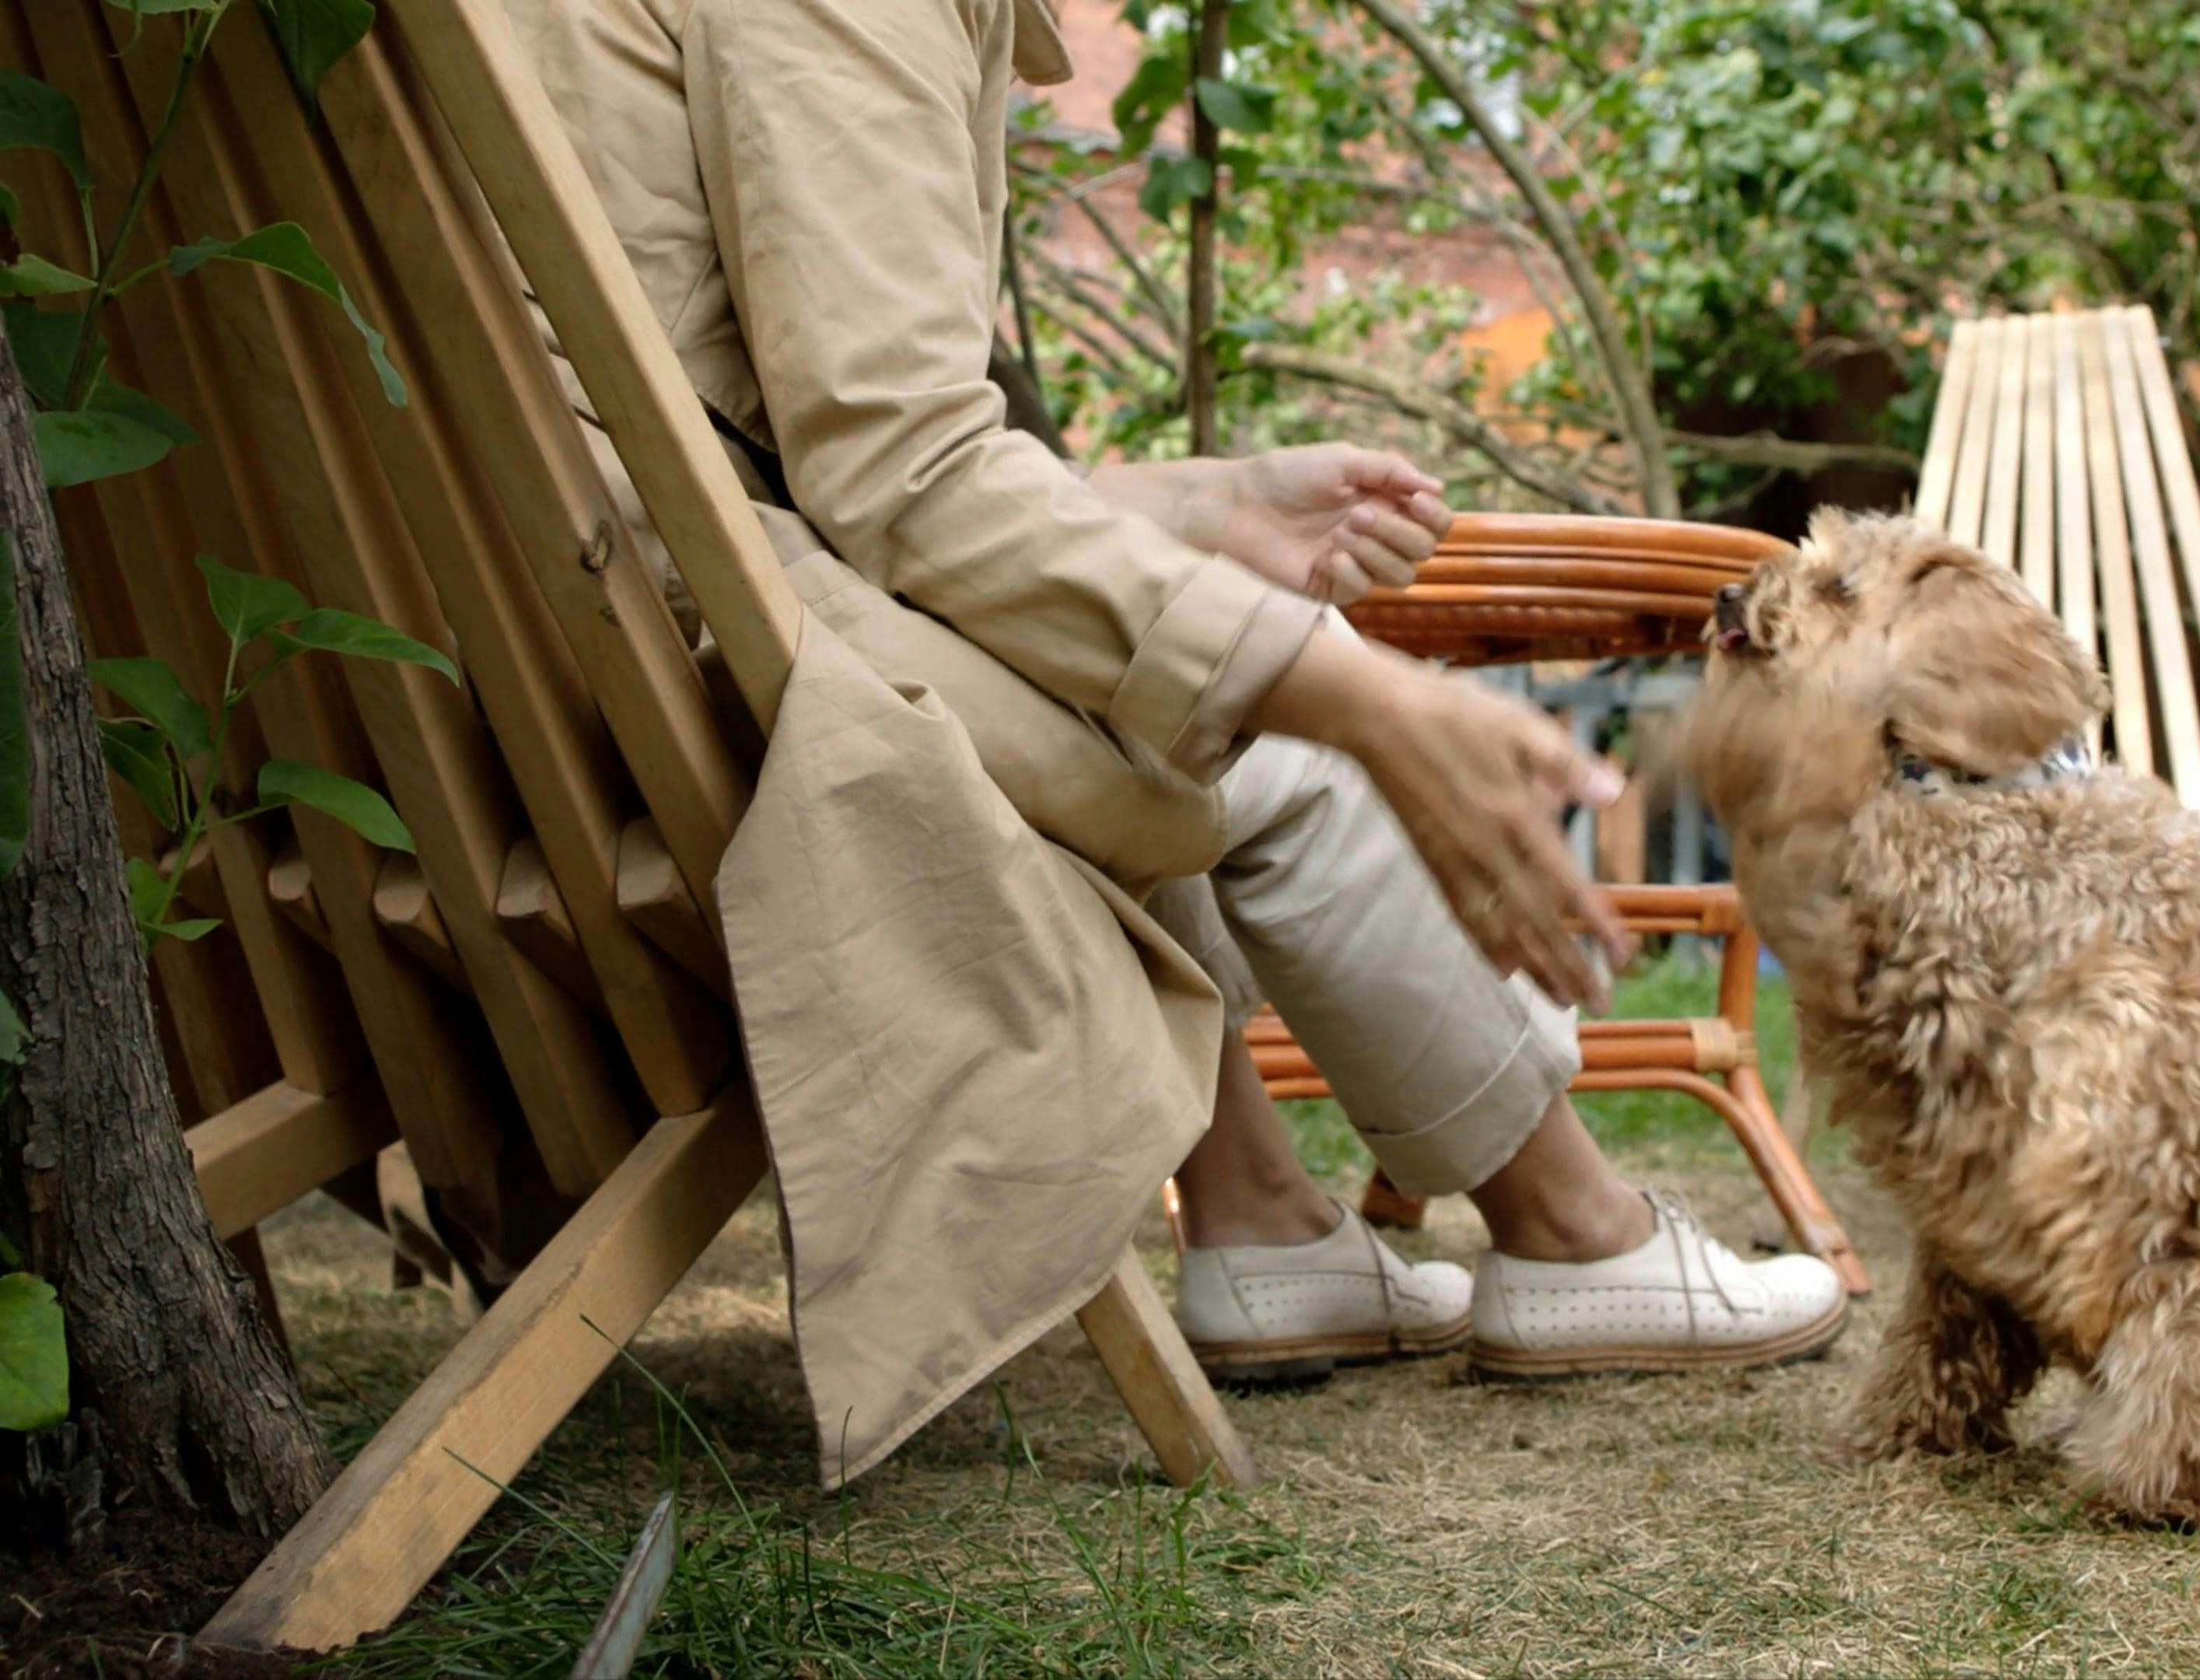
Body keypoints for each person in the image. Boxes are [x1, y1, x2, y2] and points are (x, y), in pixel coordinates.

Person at [502, 0, 1845, 1392]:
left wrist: (1207, 503)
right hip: (666, 699)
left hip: (535, 670)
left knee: (1180, 666)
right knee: (1278, 727)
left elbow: (795, 448)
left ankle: (1260, 1218)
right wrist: (1363, 700)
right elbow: (898, 471)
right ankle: (1570, 1229)